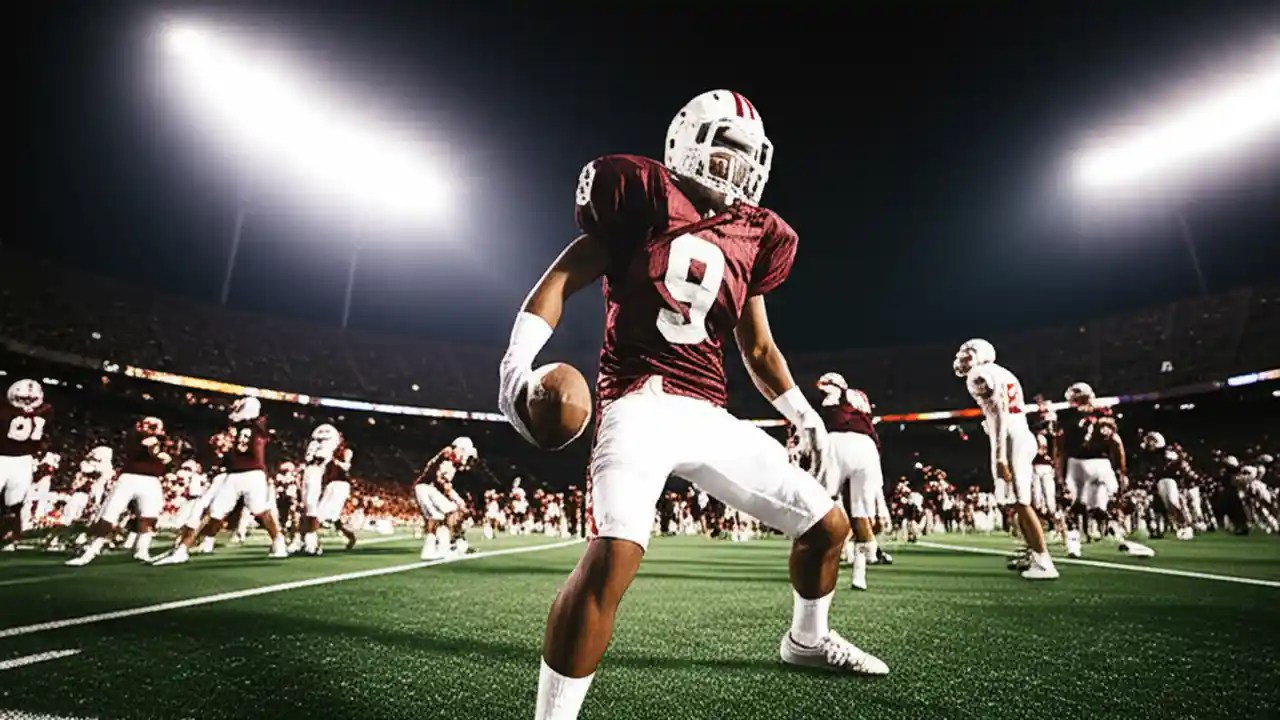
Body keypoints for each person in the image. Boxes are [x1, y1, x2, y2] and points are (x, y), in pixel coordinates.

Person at [497, 89, 887, 720]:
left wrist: (805, 415)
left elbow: (758, 347)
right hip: (639, 400)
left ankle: (806, 642)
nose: (741, 167)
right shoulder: (641, 196)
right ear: (688, 143)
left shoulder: (756, 235)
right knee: (614, 553)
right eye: (728, 149)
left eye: (749, 155)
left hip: (707, 411)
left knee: (827, 527)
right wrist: (516, 364)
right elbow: (560, 281)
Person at [953, 339, 1059, 580]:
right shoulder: (1003, 372)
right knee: (1014, 501)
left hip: (1010, 440)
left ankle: (1044, 562)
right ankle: (1032, 552)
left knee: (1021, 501)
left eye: (968, 354)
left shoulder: (979, 375)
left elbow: (1001, 412)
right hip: (1020, 434)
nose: (963, 359)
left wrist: (1000, 455)